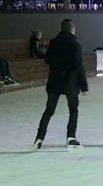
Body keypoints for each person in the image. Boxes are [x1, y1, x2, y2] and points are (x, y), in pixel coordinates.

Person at [34, 19, 89, 150]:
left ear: (61, 29)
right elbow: (78, 65)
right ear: (73, 30)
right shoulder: (75, 44)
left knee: (49, 111)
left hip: (54, 82)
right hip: (70, 82)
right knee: (73, 110)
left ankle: (39, 138)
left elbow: (47, 60)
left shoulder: (53, 42)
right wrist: (84, 86)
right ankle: (71, 138)